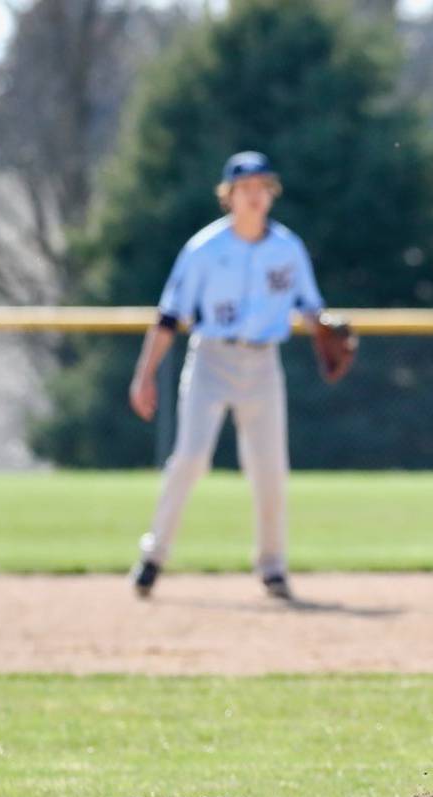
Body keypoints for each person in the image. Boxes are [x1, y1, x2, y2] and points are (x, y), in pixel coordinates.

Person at [127, 151, 330, 601]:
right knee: (191, 459)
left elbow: (311, 307)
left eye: (263, 188)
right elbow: (168, 317)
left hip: (262, 364)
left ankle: (273, 567)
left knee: (270, 470)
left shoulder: (287, 248)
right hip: (211, 361)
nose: (256, 196)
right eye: (247, 188)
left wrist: (328, 328)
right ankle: (154, 556)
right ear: (229, 196)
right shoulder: (204, 250)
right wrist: (145, 375)